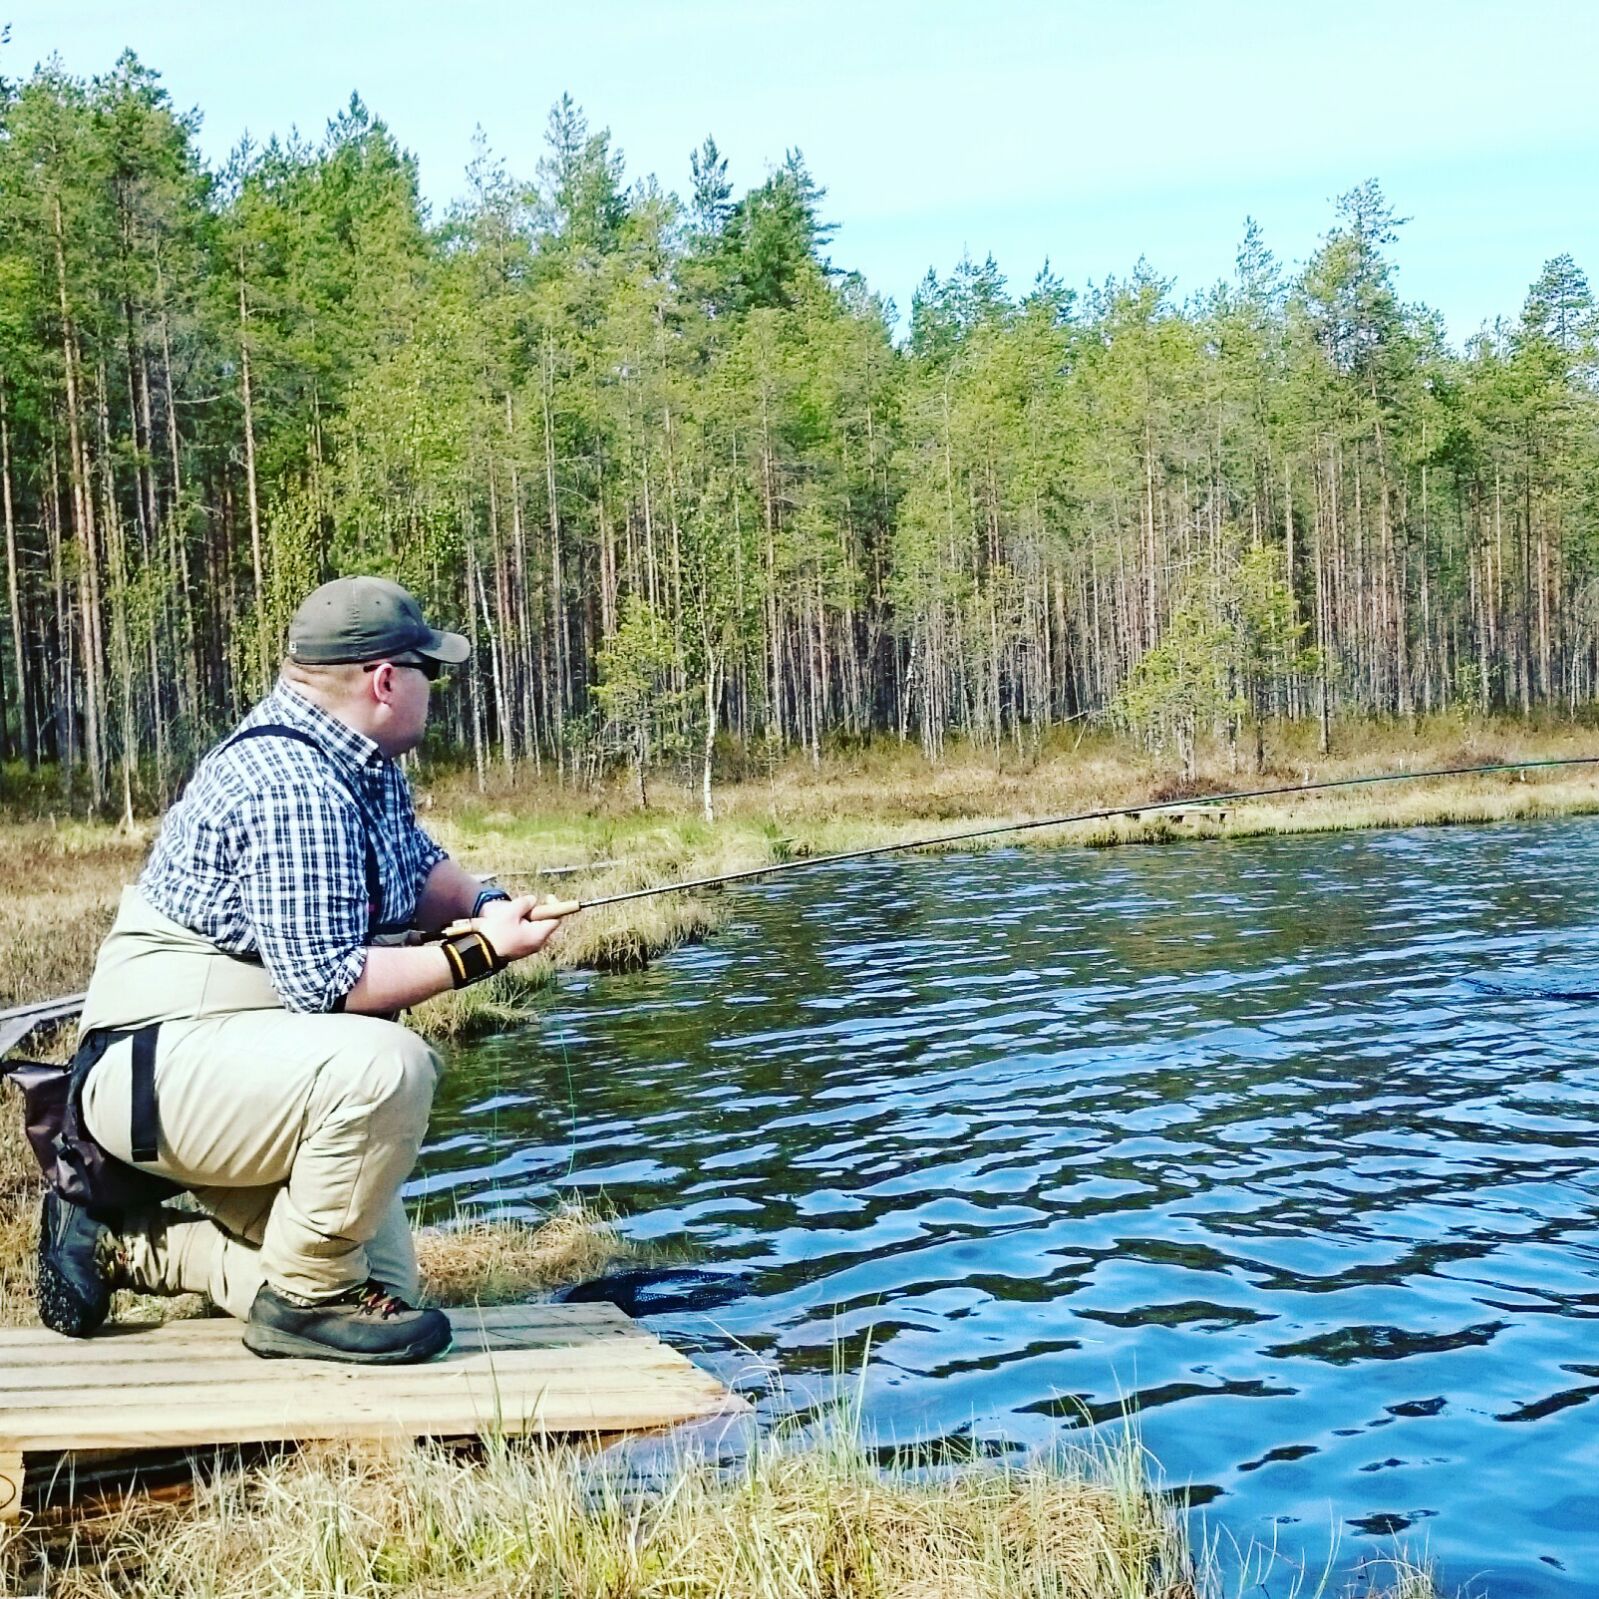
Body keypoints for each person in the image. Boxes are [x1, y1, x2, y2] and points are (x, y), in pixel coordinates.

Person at [35, 576, 568, 1364]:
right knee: (388, 1067)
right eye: (430, 670)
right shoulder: (294, 782)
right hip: (158, 1079)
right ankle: (308, 1298)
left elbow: (418, 867)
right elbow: (331, 986)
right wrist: (481, 952)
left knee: (389, 1300)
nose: (436, 687)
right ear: (386, 680)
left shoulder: (361, 759)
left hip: (234, 1065)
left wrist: (488, 903)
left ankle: (132, 1246)